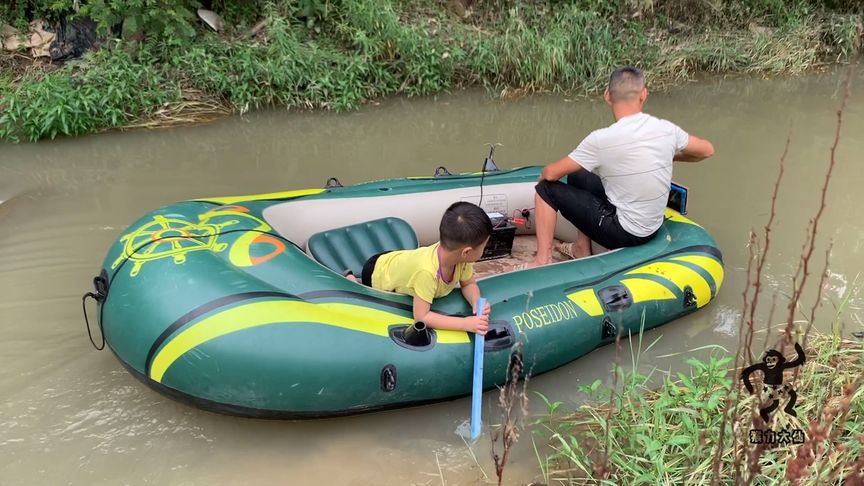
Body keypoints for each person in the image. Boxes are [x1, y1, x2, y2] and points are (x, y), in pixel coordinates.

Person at [518, 66, 715, 269]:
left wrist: (546, 177)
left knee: (545, 190)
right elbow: (707, 150)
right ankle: (581, 248)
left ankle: (542, 260)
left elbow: (550, 173)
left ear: (607, 96)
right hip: (652, 226)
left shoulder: (601, 139)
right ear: (644, 94)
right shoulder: (666, 129)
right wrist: (670, 155)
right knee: (578, 175)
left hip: (626, 232)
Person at [349, 201, 493, 335]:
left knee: (408, 268)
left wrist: (476, 301)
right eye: (483, 247)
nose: (484, 250)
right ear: (466, 252)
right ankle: (353, 280)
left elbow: (468, 283)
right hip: (377, 271)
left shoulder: (461, 260)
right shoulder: (427, 273)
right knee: (367, 289)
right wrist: (464, 324)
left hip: (401, 262)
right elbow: (421, 316)